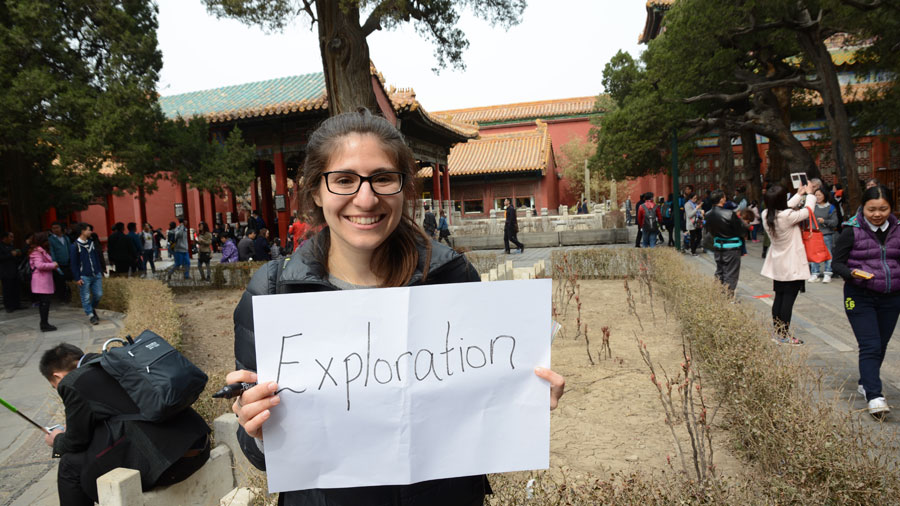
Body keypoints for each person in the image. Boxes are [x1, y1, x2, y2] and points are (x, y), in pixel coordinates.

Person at [227, 110, 565, 505]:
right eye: (344, 180)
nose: (366, 198)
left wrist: (522, 397)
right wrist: (256, 429)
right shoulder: (273, 292)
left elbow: (477, 412)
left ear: (405, 188)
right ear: (316, 192)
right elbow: (262, 453)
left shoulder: (451, 277)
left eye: (383, 178)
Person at [39, 343, 211, 506]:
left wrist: (57, 440)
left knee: (69, 465)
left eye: (55, 386)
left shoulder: (73, 381)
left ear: (57, 376)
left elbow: (76, 441)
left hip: (172, 465)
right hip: (200, 446)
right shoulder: (112, 360)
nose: (58, 389)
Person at [832, 185, 900, 418]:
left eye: (883, 208)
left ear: (891, 208)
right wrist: (852, 274)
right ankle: (874, 396)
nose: (878, 214)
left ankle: (865, 381)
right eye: (872, 209)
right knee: (870, 345)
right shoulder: (851, 231)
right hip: (857, 297)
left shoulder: (898, 230)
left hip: (892, 297)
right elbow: (836, 264)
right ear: (863, 207)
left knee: (880, 345)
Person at [761, 183, 817, 345]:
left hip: (778, 264)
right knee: (788, 301)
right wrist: (810, 194)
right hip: (792, 265)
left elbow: (786, 207)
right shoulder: (786, 216)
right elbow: (808, 211)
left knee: (779, 297)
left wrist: (799, 194)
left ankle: (777, 332)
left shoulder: (766, 214)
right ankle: (784, 335)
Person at [705, 190, 749, 295]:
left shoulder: (708, 214)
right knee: (731, 273)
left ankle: (718, 295)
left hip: (718, 245)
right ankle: (728, 298)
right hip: (732, 247)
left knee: (720, 272)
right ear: (721, 199)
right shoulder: (729, 214)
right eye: (724, 197)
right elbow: (741, 231)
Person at [69, 223, 103, 325]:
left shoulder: (91, 243)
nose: (90, 232)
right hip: (84, 275)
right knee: (86, 296)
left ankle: (91, 309)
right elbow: (74, 263)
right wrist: (77, 278)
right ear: (82, 231)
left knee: (98, 295)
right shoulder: (75, 246)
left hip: (96, 274)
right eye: (88, 230)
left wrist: (99, 269)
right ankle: (91, 315)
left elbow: (96, 258)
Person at [808, 188, 839, 283]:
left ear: (825, 195)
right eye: (816, 195)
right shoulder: (812, 207)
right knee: (814, 254)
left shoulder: (831, 208)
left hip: (826, 234)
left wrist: (824, 221)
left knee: (828, 254)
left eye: (819, 195)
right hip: (814, 233)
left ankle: (827, 273)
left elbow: (835, 222)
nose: (817, 197)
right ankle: (815, 273)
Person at [29, 232, 58, 331]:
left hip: (44, 280)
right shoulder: (36, 252)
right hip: (41, 281)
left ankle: (44, 323)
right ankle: (44, 324)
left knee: (45, 303)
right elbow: (39, 265)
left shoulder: (41, 251)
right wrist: (53, 265)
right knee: (44, 303)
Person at [49, 222, 73, 301]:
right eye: (53, 228)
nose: (55, 230)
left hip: (67, 262)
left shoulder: (66, 238)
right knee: (60, 281)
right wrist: (54, 262)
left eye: (57, 227)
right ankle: (62, 298)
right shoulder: (51, 239)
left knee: (69, 279)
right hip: (58, 263)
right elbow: (52, 251)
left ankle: (70, 295)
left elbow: (70, 249)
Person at [1, 230, 23, 312]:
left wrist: (18, 254)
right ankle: (8, 306)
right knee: (7, 289)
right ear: (5, 238)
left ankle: (17, 304)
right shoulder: (1, 246)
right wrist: (11, 254)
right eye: (11, 237)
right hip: (5, 271)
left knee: (16, 288)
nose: (12, 239)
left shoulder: (11, 246)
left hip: (14, 270)